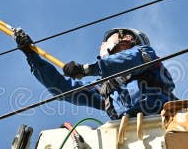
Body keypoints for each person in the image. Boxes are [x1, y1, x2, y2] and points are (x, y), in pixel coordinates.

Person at [14, 28, 176, 119]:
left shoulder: (145, 54)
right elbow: (63, 89)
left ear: (127, 38)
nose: (102, 45)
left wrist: (86, 70)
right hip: (131, 131)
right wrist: (31, 56)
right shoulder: (107, 89)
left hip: (165, 118)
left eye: (108, 39)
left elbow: (128, 61)